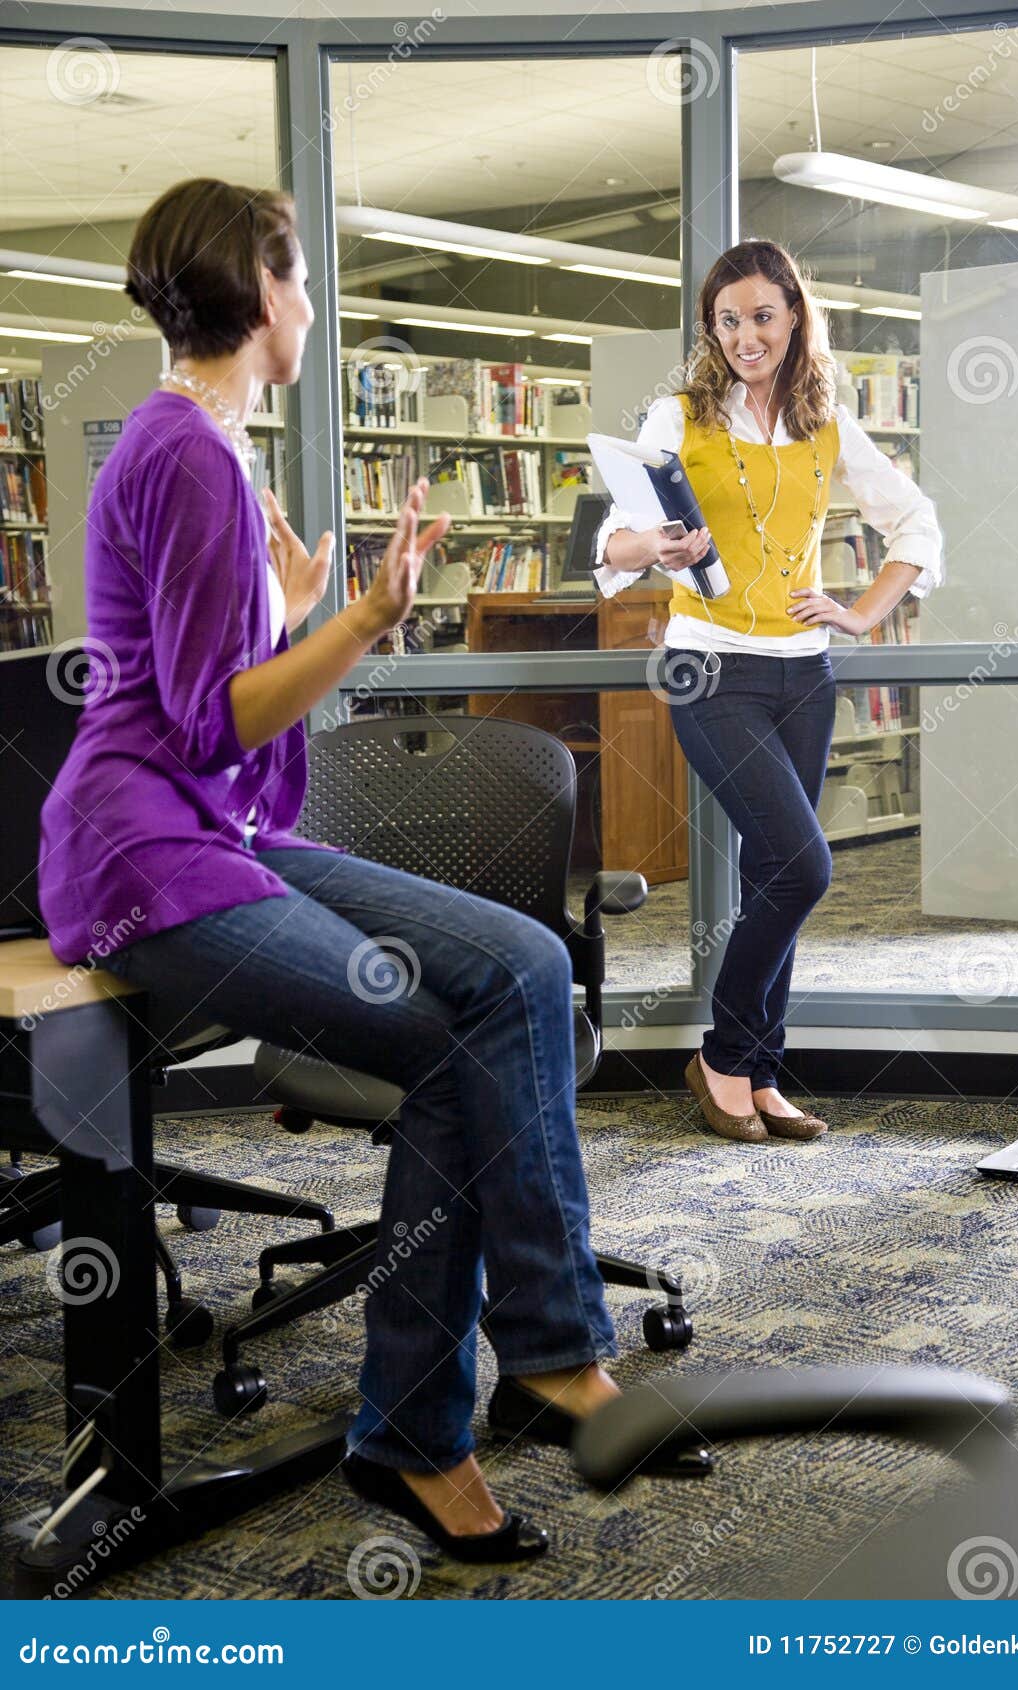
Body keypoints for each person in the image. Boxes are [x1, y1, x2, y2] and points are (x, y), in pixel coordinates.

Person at [37, 178, 709, 1567]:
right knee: (458, 1043)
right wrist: (357, 619)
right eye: (298, 277)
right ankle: (465, 1407)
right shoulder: (184, 453)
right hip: (146, 854)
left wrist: (301, 604)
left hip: (216, 829)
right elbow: (207, 718)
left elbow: (211, 677)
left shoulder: (204, 446)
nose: (308, 302)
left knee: (521, 965)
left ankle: (514, 1368)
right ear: (255, 288)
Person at [595, 239, 942, 1144]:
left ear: (794, 317)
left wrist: (862, 612)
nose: (746, 335)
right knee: (804, 866)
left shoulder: (827, 423)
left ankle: (754, 1070)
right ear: (710, 330)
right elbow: (613, 544)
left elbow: (912, 518)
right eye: (727, 320)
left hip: (802, 672)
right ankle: (719, 1059)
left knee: (769, 875)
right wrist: (656, 547)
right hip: (706, 665)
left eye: (761, 316)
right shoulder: (678, 416)